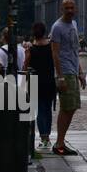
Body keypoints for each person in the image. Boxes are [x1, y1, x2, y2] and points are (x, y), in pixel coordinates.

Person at [49, 0, 84, 157]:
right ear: (61, 10)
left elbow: (74, 50)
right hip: (65, 72)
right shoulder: (57, 27)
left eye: (72, 8)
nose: (70, 11)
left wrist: (80, 71)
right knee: (67, 107)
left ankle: (61, 142)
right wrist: (60, 77)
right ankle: (59, 143)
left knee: (72, 107)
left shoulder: (74, 25)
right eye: (66, 8)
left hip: (73, 70)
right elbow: (55, 53)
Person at [27, 22, 57, 153]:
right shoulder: (51, 47)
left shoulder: (31, 49)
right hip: (49, 81)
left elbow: (25, 66)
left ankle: (43, 137)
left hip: (36, 82)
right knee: (48, 109)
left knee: (39, 110)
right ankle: (47, 136)